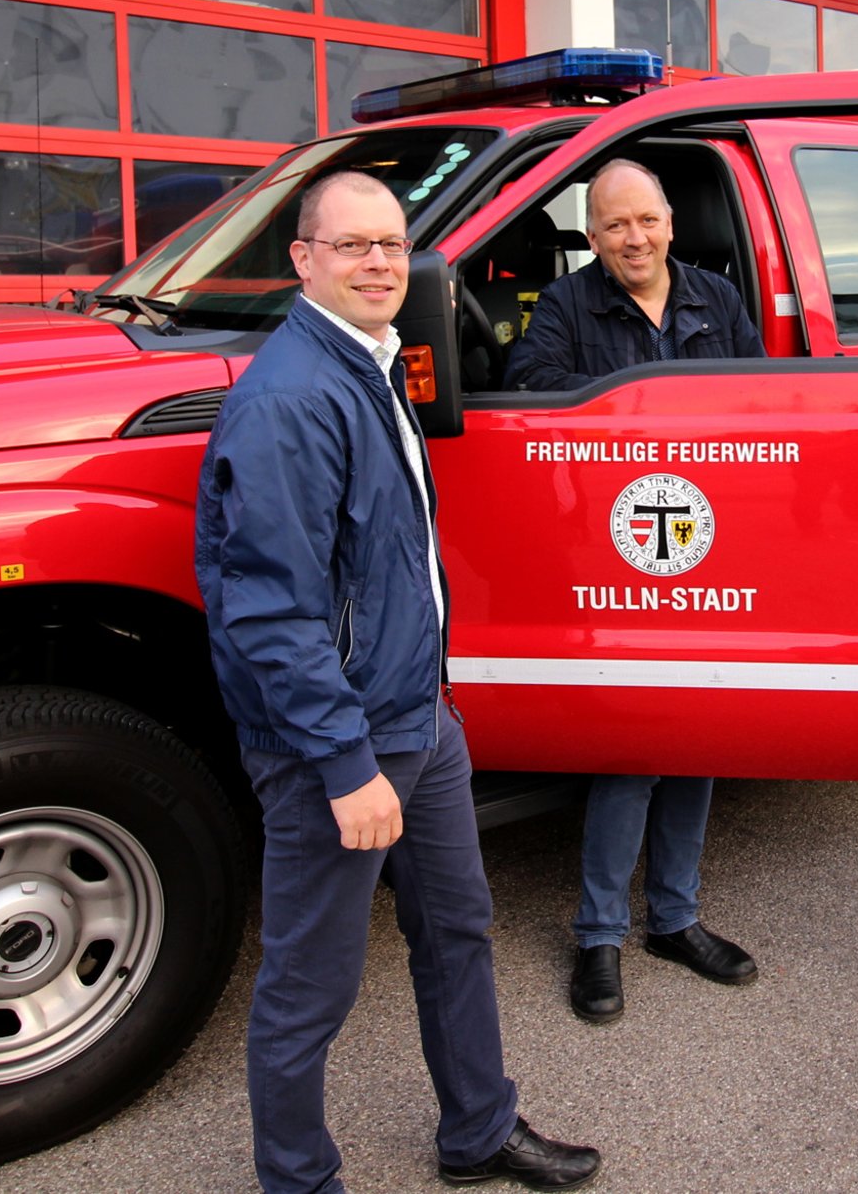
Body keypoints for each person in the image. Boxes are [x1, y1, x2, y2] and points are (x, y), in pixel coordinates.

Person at [196, 170, 601, 1193]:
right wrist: (342, 763)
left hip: (415, 721)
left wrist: (428, 696)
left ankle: (477, 1131)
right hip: (338, 749)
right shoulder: (291, 398)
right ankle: (298, 1181)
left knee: (457, 931)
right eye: (351, 246)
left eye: (391, 245)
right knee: (309, 987)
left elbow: (382, 567)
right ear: (303, 260)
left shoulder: (369, 364)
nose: (379, 264)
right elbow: (269, 614)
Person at [503, 158, 764, 1024]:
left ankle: (676, 919)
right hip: (616, 543)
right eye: (615, 225)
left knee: (696, 734)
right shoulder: (568, 306)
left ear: (670, 223)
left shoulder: (718, 300)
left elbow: (762, 401)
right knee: (629, 748)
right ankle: (600, 934)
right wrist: (625, 404)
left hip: (703, 535)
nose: (634, 237)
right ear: (595, 234)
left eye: (646, 220)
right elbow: (533, 389)